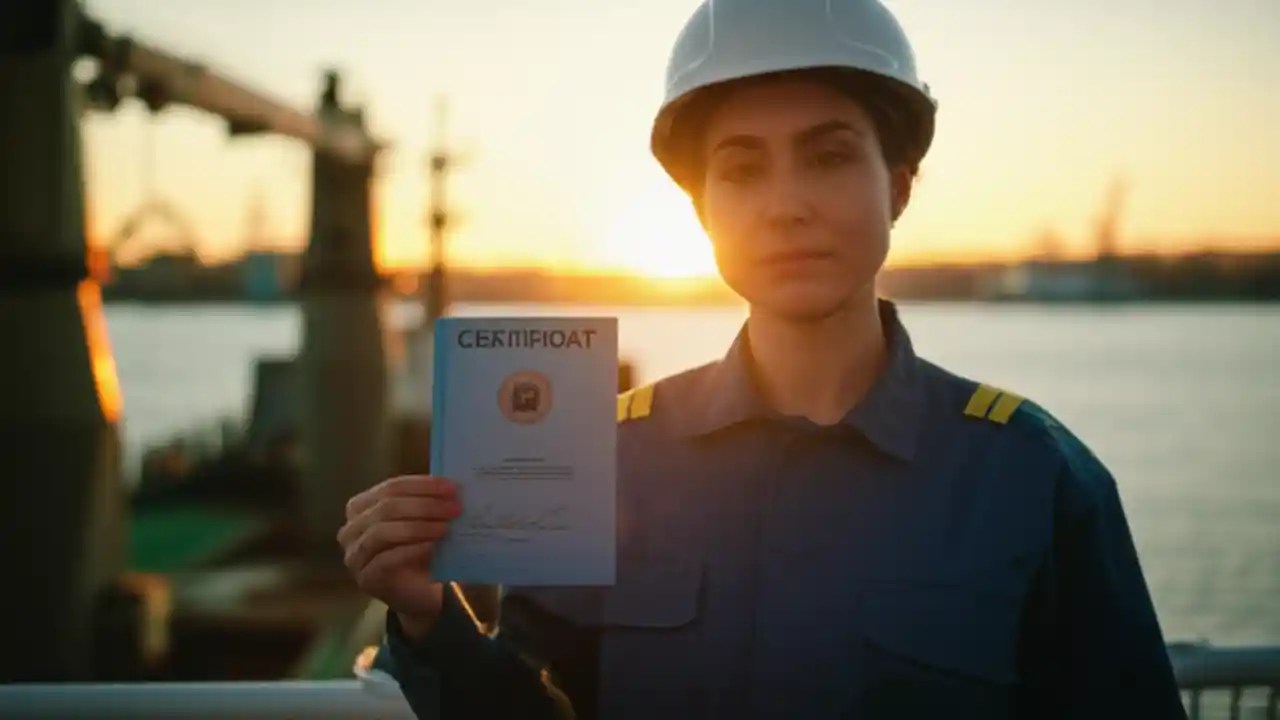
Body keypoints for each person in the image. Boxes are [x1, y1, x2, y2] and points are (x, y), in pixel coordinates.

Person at [337, 0, 1187, 717]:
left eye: (828, 156)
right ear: (702, 211)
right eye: (742, 170)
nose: (786, 205)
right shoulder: (608, 456)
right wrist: (426, 618)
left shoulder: (1032, 478)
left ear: (899, 184)